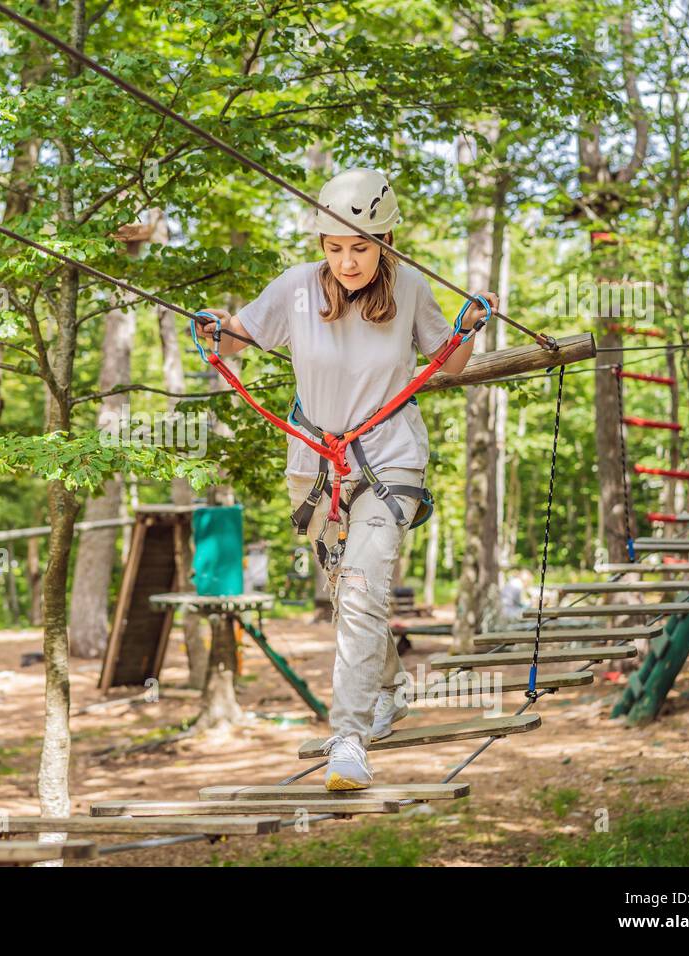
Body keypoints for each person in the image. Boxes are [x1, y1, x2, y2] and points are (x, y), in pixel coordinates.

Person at [195, 168, 497, 790]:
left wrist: (467, 331)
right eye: (334, 247)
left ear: (385, 240)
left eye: (359, 247)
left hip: (390, 461)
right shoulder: (297, 289)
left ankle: (348, 739)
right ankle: (388, 689)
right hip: (315, 467)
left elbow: (448, 361)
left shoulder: (410, 288)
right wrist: (216, 330)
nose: (347, 260)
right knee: (348, 595)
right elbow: (240, 337)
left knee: (361, 590)